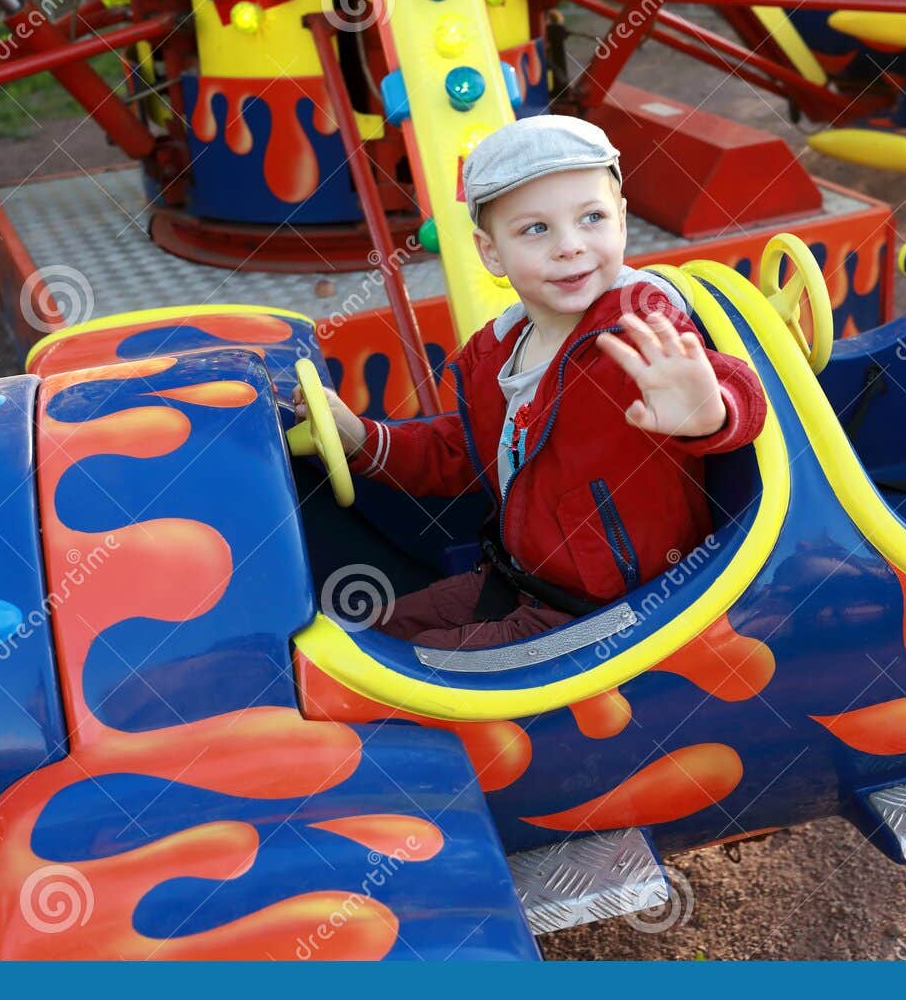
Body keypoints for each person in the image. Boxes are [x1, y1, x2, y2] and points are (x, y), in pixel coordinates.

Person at [293, 114, 767, 649]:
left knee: (400, 675)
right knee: (366, 634)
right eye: (536, 229)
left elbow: (743, 393)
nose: (570, 246)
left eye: (591, 218)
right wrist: (363, 438)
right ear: (491, 251)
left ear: (622, 222)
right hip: (520, 581)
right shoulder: (501, 351)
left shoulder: (639, 323)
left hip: (613, 618)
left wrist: (710, 412)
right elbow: (468, 450)